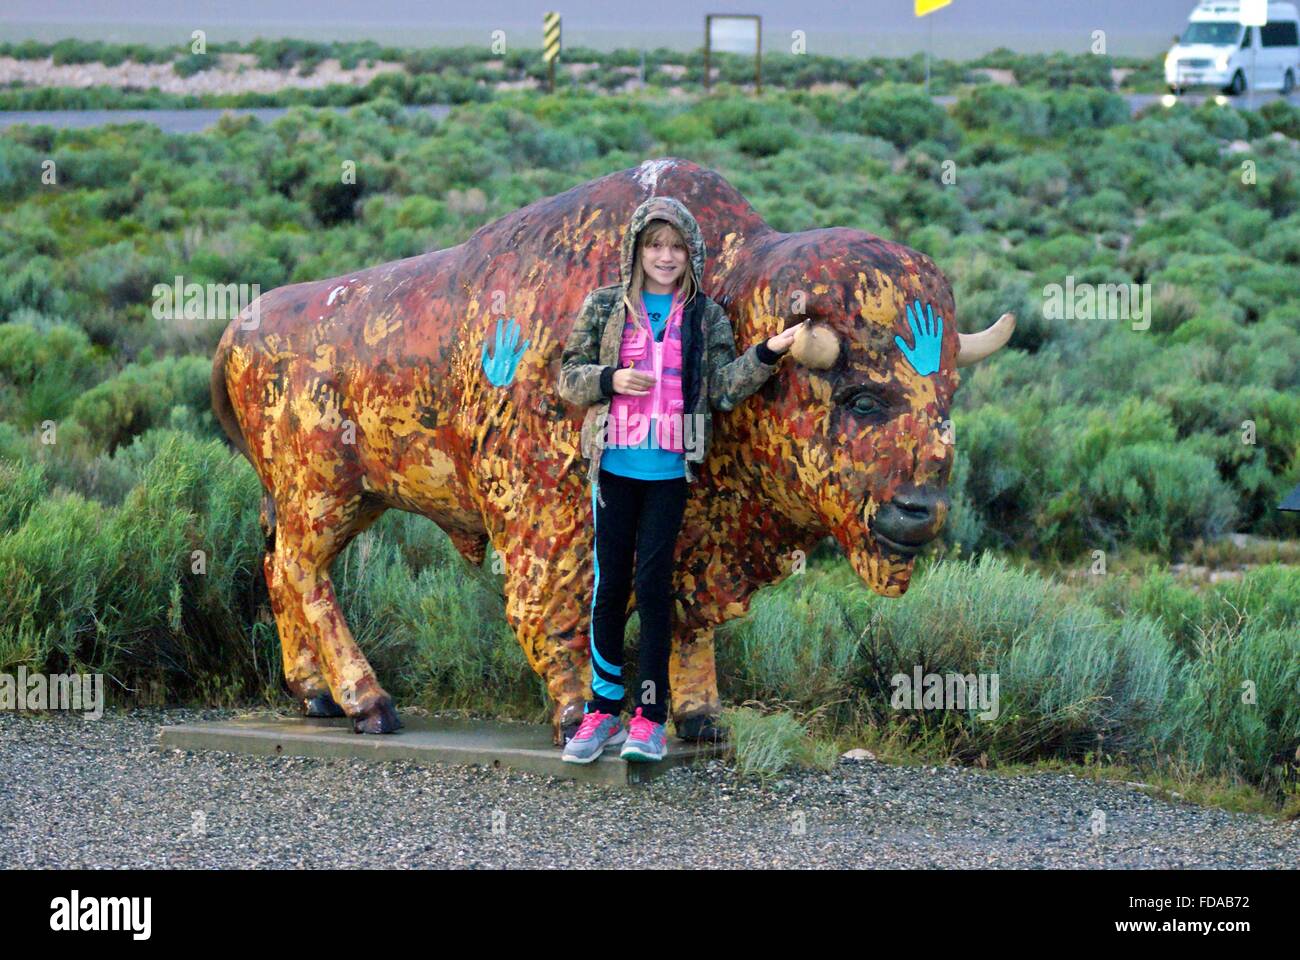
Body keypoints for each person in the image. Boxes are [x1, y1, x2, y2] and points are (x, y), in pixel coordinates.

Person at [556, 195, 802, 763]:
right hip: (613, 468)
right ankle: (601, 713)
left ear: (691, 253)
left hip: (670, 470)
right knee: (609, 589)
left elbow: (720, 388)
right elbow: (569, 379)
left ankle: (648, 717)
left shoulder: (705, 316)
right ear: (637, 250)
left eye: (676, 247)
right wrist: (612, 378)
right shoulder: (604, 306)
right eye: (655, 245)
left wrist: (769, 351)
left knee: (655, 589)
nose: (665, 257)